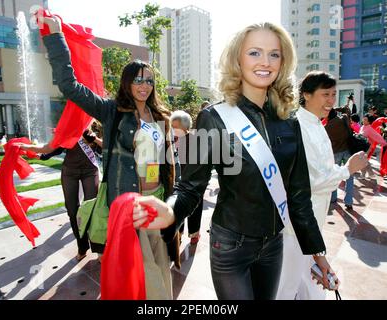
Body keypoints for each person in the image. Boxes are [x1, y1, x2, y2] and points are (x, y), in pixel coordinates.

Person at [134, 22, 339, 300]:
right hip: (230, 244)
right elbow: (189, 188)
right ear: (237, 59)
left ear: (283, 61)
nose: (265, 62)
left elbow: (299, 195)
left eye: (274, 54)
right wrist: (170, 213)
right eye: (254, 52)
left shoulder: (289, 121)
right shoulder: (212, 117)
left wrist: (319, 253)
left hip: (274, 245)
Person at [39, 15, 179, 299]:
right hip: (128, 207)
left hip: (156, 202)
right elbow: (69, 86)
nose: (144, 86)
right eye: (138, 80)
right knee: (144, 280)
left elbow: (165, 162)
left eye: (149, 81)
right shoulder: (112, 111)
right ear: (127, 83)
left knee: (157, 271)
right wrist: (55, 37)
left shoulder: (159, 115)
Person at [276, 71, 367, 300]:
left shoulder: (316, 125)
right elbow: (309, 181)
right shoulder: (299, 127)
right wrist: (348, 169)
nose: (331, 100)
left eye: (334, 94)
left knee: (306, 278)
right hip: (297, 223)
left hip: (312, 219)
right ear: (306, 94)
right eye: (325, 94)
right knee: (286, 285)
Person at [19, 124, 103, 261]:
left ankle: (99, 248)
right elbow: (56, 149)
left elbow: (105, 148)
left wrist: (94, 139)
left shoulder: (94, 126)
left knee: (92, 209)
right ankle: (82, 247)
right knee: (72, 210)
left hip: (89, 171)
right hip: (70, 172)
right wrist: (41, 156)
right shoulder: (69, 127)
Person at [171, 110, 202, 245]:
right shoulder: (171, 140)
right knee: (178, 208)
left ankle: (194, 233)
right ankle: (179, 234)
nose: (172, 129)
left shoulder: (195, 140)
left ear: (185, 127)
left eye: (175, 126)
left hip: (193, 182)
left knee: (195, 207)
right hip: (177, 181)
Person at [324, 108, 355, 210]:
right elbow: (347, 110)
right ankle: (349, 201)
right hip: (347, 150)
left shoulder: (327, 127)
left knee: (334, 176)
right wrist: (338, 108)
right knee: (350, 177)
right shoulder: (344, 119)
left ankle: (333, 198)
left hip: (335, 152)